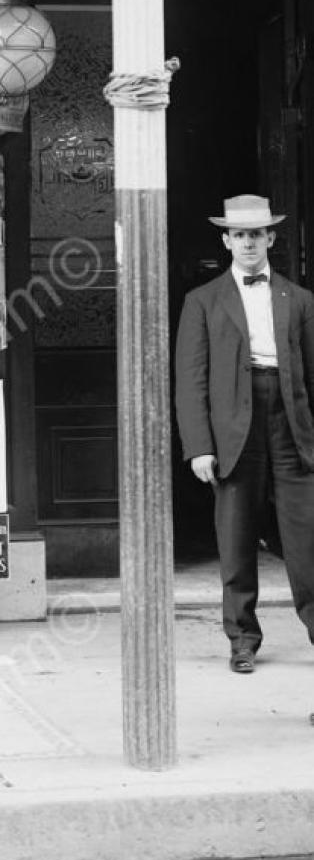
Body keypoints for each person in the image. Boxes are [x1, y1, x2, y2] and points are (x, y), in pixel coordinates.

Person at [175, 194, 314, 673]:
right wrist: (199, 447)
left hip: (291, 425)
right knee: (235, 538)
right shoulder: (203, 301)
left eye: (257, 234)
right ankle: (242, 637)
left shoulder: (299, 300)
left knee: (307, 538)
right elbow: (190, 381)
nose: (249, 243)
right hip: (234, 428)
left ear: (271, 238)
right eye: (240, 234)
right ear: (226, 240)